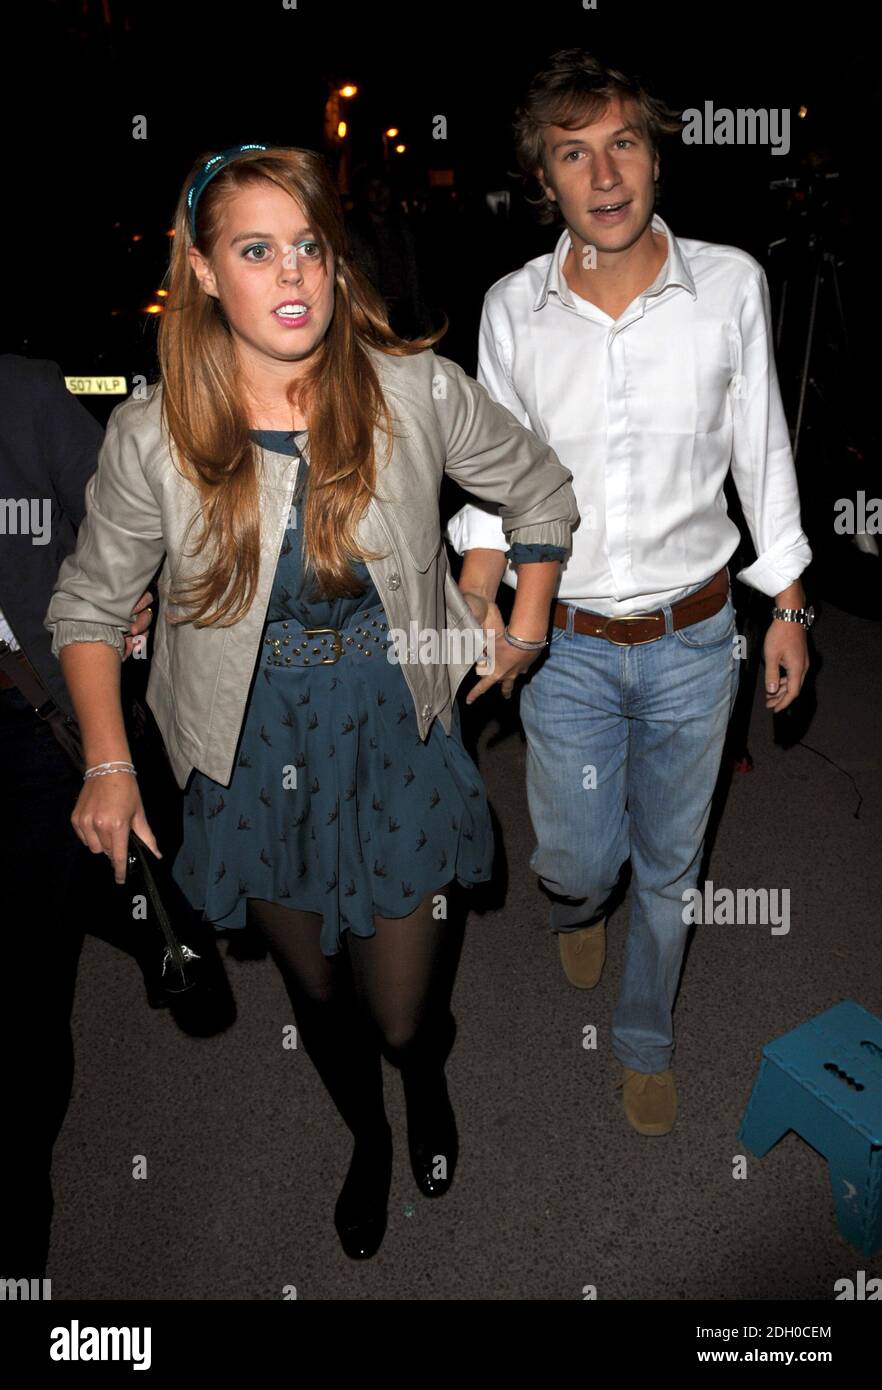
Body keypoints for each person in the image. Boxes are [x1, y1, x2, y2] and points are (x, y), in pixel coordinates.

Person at [44, 144, 579, 1259]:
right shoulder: (151, 435)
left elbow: (539, 489)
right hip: (247, 748)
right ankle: (367, 1138)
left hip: (395, 731)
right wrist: (107, 759)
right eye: (255, 250)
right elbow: (90, 606)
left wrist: (517, 616)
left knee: (400, 1011)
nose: (292, 276)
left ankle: (423, 1074)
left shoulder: (413, 388)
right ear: (199, 269)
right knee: (322, 997)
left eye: (310, 247)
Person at [446, 50, 813, 1137]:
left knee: (671, 862)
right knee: (575, 856)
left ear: (656, 157)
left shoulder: (731, 286)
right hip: (558, 642)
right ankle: (574, 899)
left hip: (700, 637)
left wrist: (788, 602)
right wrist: (476, 583)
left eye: (623, 144)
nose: (603, 175)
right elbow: (492, 463)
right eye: (573, 152)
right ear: (544, 178)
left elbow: (763, 449)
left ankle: (644, 1034)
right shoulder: (514, 307)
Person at [0, 354, 152, 1278]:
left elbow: (119, 520)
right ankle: (128, 909)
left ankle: (17, 1241)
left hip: (32, 726)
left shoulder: (22, 393)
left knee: (21, 1005)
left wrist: (127, 600)